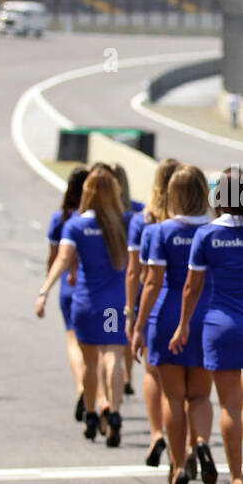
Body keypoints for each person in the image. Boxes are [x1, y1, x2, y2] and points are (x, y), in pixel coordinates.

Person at [170, 167, 243, 484]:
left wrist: (183, 324)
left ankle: (234, 478)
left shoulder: (206, 235)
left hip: (219, 327)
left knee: (229, 404)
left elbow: (191, 287)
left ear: (218, 197)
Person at [132, 165, 217, 484]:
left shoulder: (158, 231)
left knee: (174, 397)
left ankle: (179, 464)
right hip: (205, 315)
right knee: (199, 395)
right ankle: (202, 444)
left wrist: (138, 325)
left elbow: (151, 282)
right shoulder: (213, 230)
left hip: (167, 316)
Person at [36, 168, 128, 447]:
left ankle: (90, 413)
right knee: (113, 356)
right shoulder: (125, 222)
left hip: (86, 302)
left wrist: (44, 291)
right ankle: (113, 411)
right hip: (114, 305)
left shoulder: (75, 225)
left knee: (90, 362)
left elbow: (62, 261)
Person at [125, 158, 180, 464]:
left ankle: (157, 433)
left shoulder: (143, 220)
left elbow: (135, 273)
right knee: (185, 381)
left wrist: (131, 313)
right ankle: (183, 445)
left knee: (152, 372)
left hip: (154, 302)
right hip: (188, 303)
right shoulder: (195, 220)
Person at [46, 165, 89, 422]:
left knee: (73, 340)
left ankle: (83, 387)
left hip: (68, 288)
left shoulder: (60, 218)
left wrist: (45, 286)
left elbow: (53, 258)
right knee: (101, 347)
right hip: (96, 289)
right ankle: (100, 396)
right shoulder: (101, 219)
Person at [105, 161, 144, 395]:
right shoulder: (139, 212)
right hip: (133, 283)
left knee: (113, 340)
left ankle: (119, 378)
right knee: (127, 332)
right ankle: (126, 376)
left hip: (116, 284)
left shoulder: (112, 216)